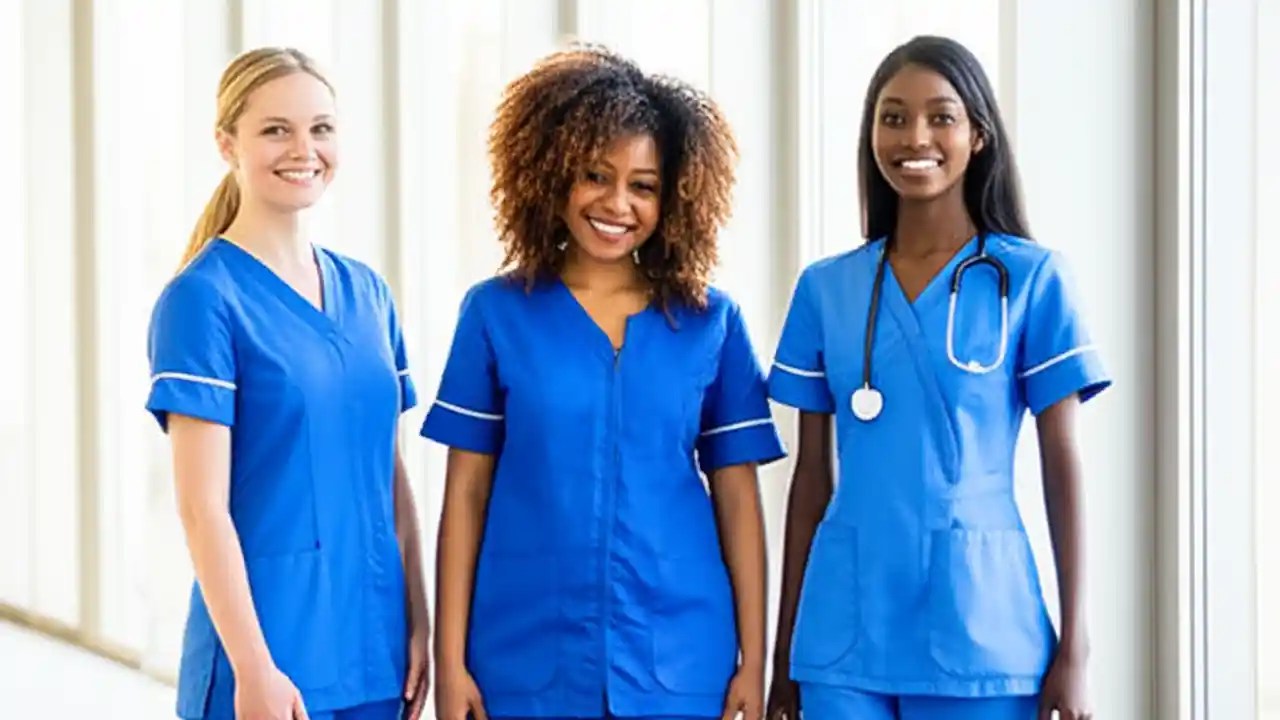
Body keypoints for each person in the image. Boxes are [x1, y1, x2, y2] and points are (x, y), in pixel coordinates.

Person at [421, 44, 786, 720]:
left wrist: (753, 665)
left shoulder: (712, 323)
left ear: (674, 193)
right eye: (595, 175)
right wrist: (451, 663)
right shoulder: (495, 313)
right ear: (550, 173)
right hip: (521, 658)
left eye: (643, 185)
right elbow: (464, 497)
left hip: (681, 660)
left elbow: (739, 500)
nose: (617, 203)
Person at [764, 35, 1111, 720]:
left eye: (940, 116)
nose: (913, 136)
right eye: (892, 117)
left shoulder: (1032, 280)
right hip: (842, 630)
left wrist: (1076, 649)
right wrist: (783, 658)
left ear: (978, 135)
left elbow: (1061, 466)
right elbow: (810, 481)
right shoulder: (826, 290)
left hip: (982, 625)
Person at [145, 47, 431, 720]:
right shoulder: (202, 300)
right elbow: (200, 508)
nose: (304, 148)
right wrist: (254, 668)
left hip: (375, 650)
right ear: (227, 143)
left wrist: (418, 620)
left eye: (321, 128)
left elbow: (390, 474)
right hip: (270, 661)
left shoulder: (368, 293)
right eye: (276, 129)